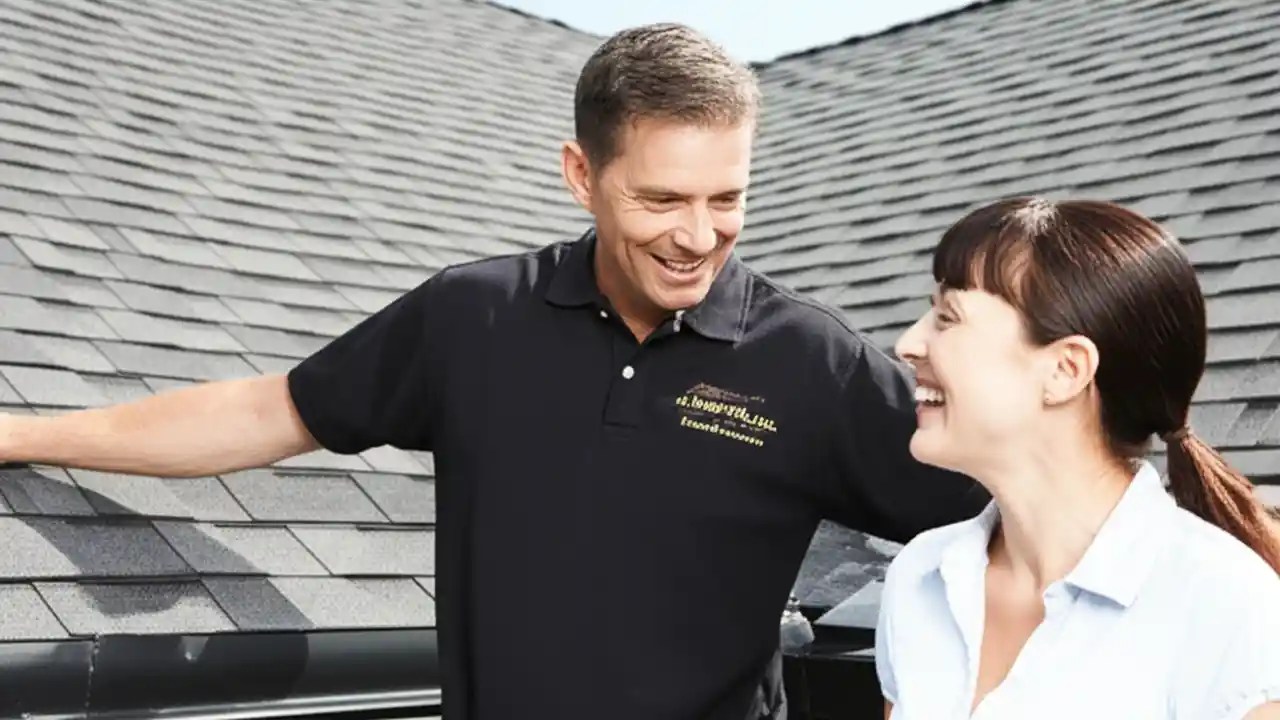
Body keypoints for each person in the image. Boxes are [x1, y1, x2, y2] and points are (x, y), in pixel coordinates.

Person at [0, 23, 987, 720]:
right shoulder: (473, 318)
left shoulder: (809, 361)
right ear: (579, 175)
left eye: (726, 197)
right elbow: (266, 411)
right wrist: (22, 435)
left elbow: (1025, 517)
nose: (699, 236)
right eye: (661, 199)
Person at [876, 196, 1280, 719]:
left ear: (1066, 370)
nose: (908, 343)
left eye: (947, 318)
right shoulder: (920, 576)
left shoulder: (1227, 607)